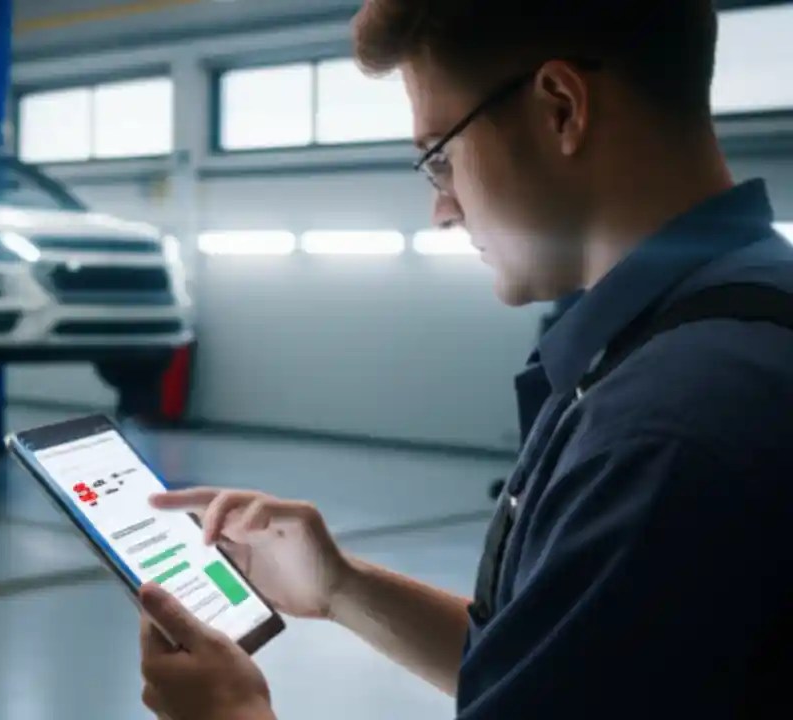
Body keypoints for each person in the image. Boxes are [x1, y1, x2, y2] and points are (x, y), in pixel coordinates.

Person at [136, 1, 793, 718]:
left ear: (561, 108)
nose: (442, 209)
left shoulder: (663, 432)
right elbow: (568, 667)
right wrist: (339, 588)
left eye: (440, 157)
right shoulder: (733, 318)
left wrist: (230, 714)